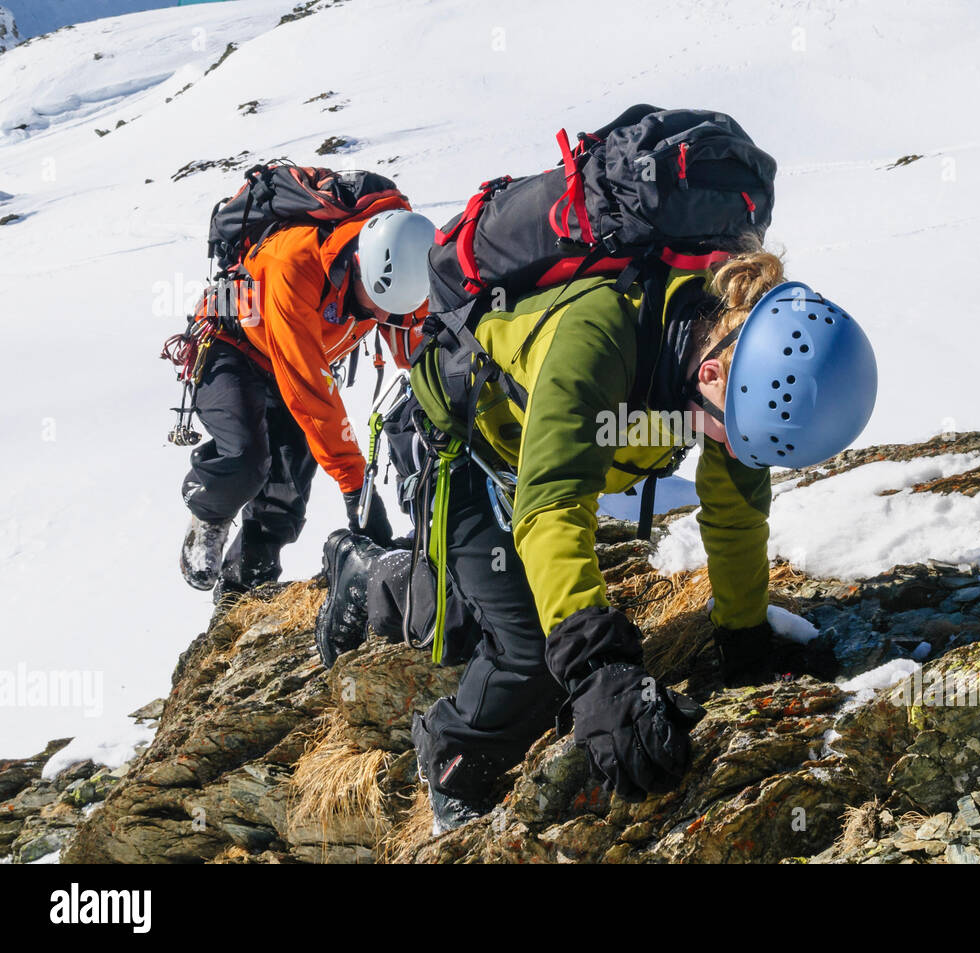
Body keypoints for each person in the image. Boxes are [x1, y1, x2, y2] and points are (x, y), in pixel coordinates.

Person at [314, 248, 877, 832]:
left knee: (485, 602)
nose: (735, 452)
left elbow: (735, 514)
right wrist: (597, 669)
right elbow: (551, 506)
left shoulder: (737, 373)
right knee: (527, 655)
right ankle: (449, 751)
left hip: (541, 455)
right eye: (732, 436)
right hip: (467, 446)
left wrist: (745, 635)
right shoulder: (597, 337)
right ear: (710, 375)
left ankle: (422, 577)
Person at [178, 208, 437, 598]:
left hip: (296, 355)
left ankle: (243, 585)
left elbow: (419, 353)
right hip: (231, 346)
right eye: (377, 303)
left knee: (288, 486)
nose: (382, 316)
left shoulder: (405, 265)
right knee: (246, 457)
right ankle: (207, 514)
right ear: (359, 264)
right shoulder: (294, 263)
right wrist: (356, 490)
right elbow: (309, 390)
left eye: (393, 308)